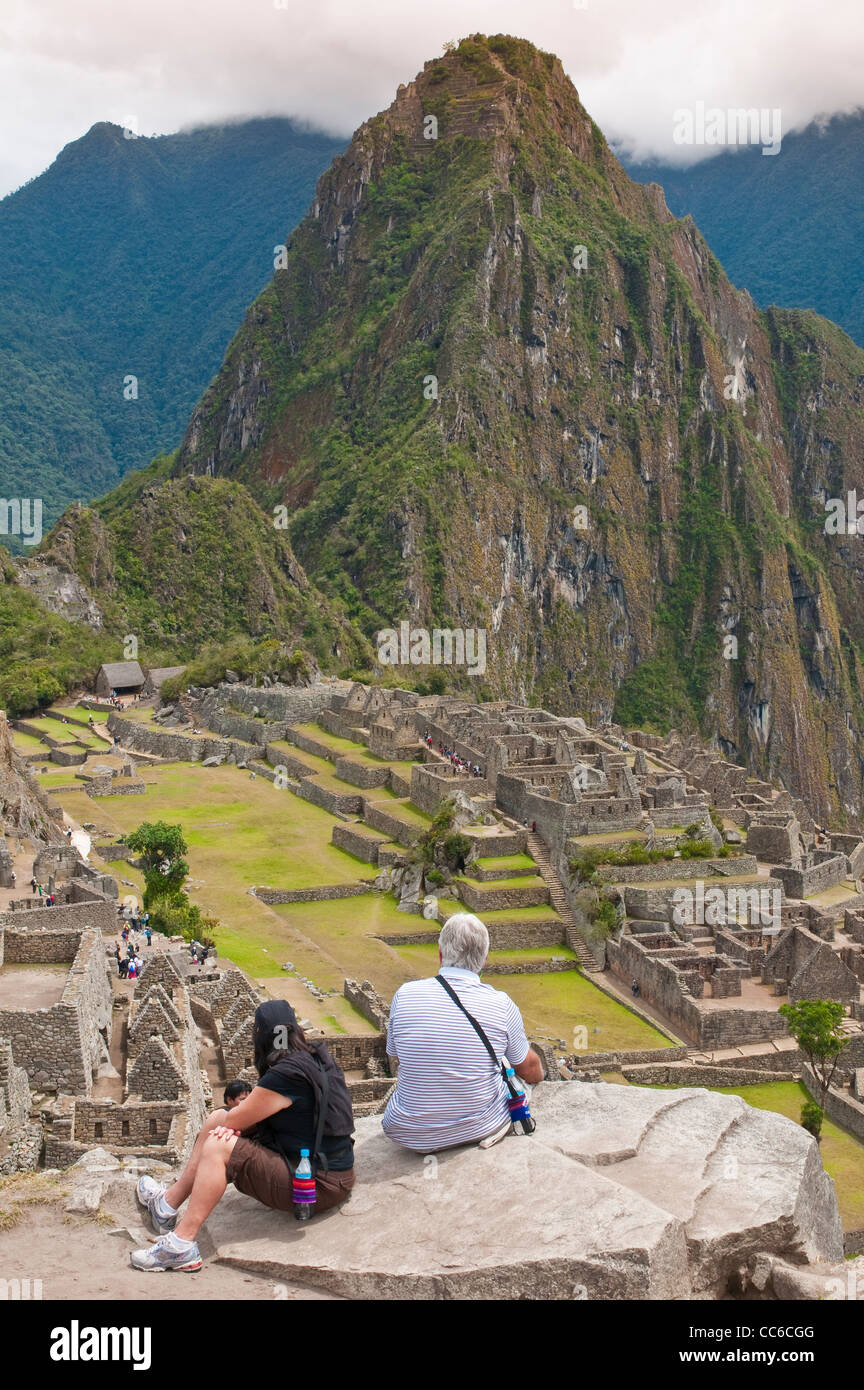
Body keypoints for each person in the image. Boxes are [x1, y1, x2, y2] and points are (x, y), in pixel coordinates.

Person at [131, 1001, 356, 1272]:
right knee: (217, 1120)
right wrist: (231, 1123)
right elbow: (238, 1117)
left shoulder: (285, 1074)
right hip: (323, 1170)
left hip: (314, 1185)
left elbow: (237, 1119)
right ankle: (166, 1206)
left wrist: (232, 1127)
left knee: (218, 1143)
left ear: (260, 1035)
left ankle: (180, 1244)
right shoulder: (312, 1057)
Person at [382, 913, 543, 1153]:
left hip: (407, 1132)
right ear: (484, 959)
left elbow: (396, 1056)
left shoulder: (404, 995)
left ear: (440, 954)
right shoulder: (501, 1004)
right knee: (514, 1081)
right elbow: (529, 1069)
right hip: (479, 1127)